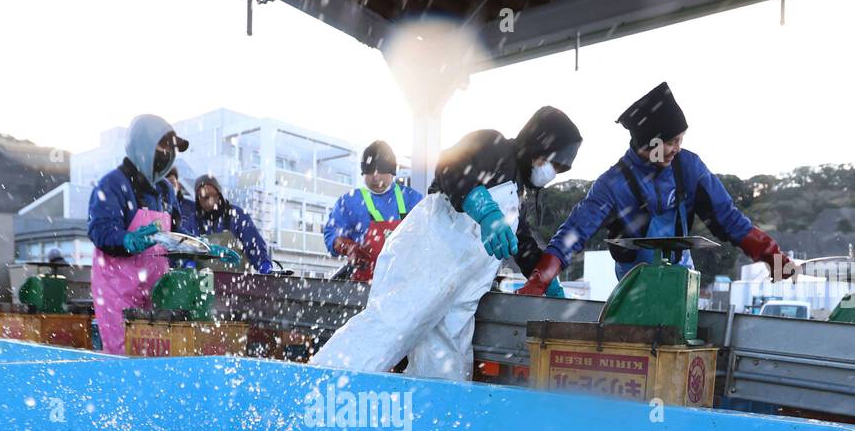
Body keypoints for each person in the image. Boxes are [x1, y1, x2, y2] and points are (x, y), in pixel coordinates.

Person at [311, 107, 582, 380]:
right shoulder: (495, 145)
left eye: (559, 169)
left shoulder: (515, 191)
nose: (552, 173)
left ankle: (433, 416)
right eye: (553, 163)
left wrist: (543, 274)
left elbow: (520, 241)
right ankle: (319, 386)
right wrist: (484, 209)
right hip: (426, 262)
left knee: (446, 359)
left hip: (459, 290)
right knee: (391, 327)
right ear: (537, 145)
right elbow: (450, 165)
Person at [518, 82, 794, 296]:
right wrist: (539, 279)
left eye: (681, 140)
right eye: (672, 141)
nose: (677, 149)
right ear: (651, 141)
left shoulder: (689, 167)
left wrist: (776, 259)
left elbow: (729, 219)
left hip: (683, 281)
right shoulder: (612, 184)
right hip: (633, 286)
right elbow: (573, 234)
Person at [87, 114, 189, 354]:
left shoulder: (165, 190)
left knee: (156, 358)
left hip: (157, 293)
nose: (168, 153)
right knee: (123, 358)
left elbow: (175, 231)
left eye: (171, 149)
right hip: (117, 293)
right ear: (143, 144)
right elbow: (100, 230)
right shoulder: (112, 184)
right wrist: (127, 240)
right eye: (162, 145)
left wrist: (198, 246)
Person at [323, 141, 424, 281]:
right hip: (363, 284)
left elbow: (429, 235)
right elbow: (331, 235)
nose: (376, 177)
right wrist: (347, 247)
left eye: (382, 170)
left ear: (392, 171)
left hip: (406, 283)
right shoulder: (349, 202)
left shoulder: (413, 199)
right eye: (370, 172)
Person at [184, 174, 274, 274]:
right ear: (198, 199)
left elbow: (255, 246)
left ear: (219, 195)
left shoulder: (238, 216)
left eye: (212, 195)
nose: (209, 201)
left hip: (238, 282)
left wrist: (264, 264)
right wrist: (187, 263)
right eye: (204, 197)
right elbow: (184, 249)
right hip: (202, 284)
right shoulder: (192, 222)